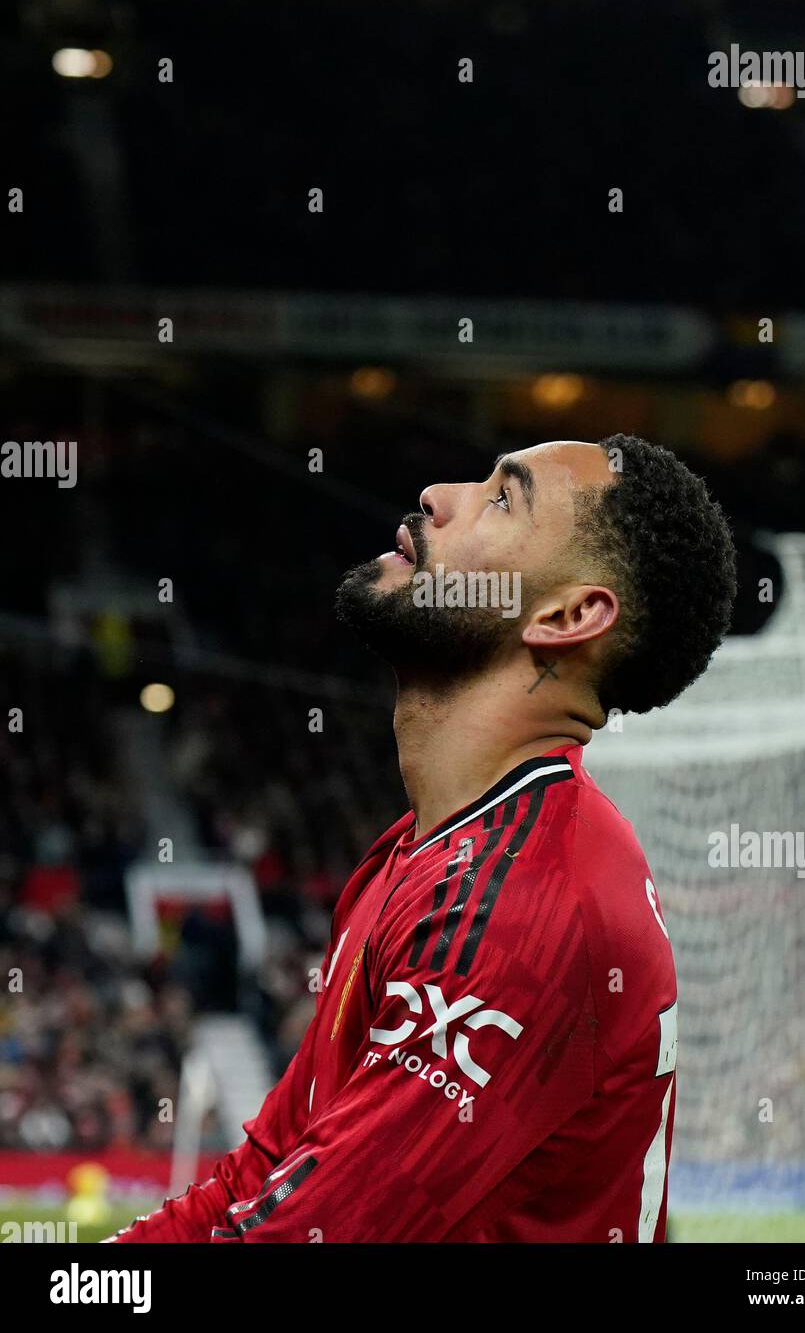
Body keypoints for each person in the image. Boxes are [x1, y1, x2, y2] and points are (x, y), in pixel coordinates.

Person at [108, 433, 736, 1243]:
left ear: (568, 616)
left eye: (502, 497)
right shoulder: (416, 854)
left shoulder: (529, 905)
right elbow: (257, 1178)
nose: (437, 493)